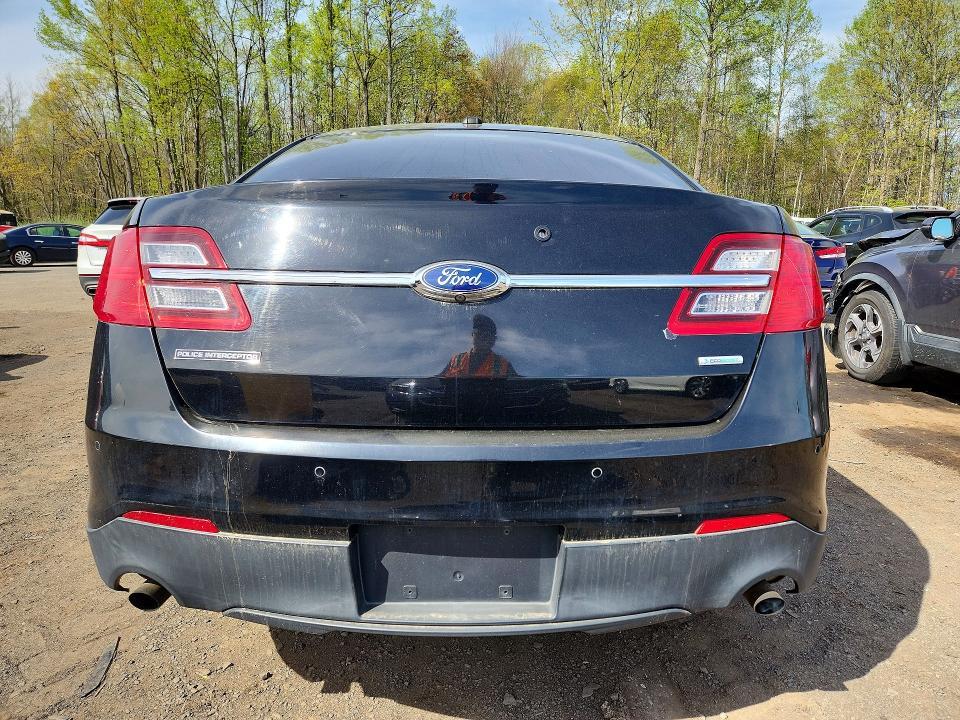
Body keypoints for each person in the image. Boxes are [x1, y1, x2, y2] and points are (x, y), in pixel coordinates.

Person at [441, 314, 516, 378]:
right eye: (479, 333)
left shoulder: (503, 364)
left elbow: (520, 388)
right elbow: (437, 384)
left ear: (494, 339)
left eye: (487, 335)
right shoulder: (455, 360)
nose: (483, 337)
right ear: (472, 335)